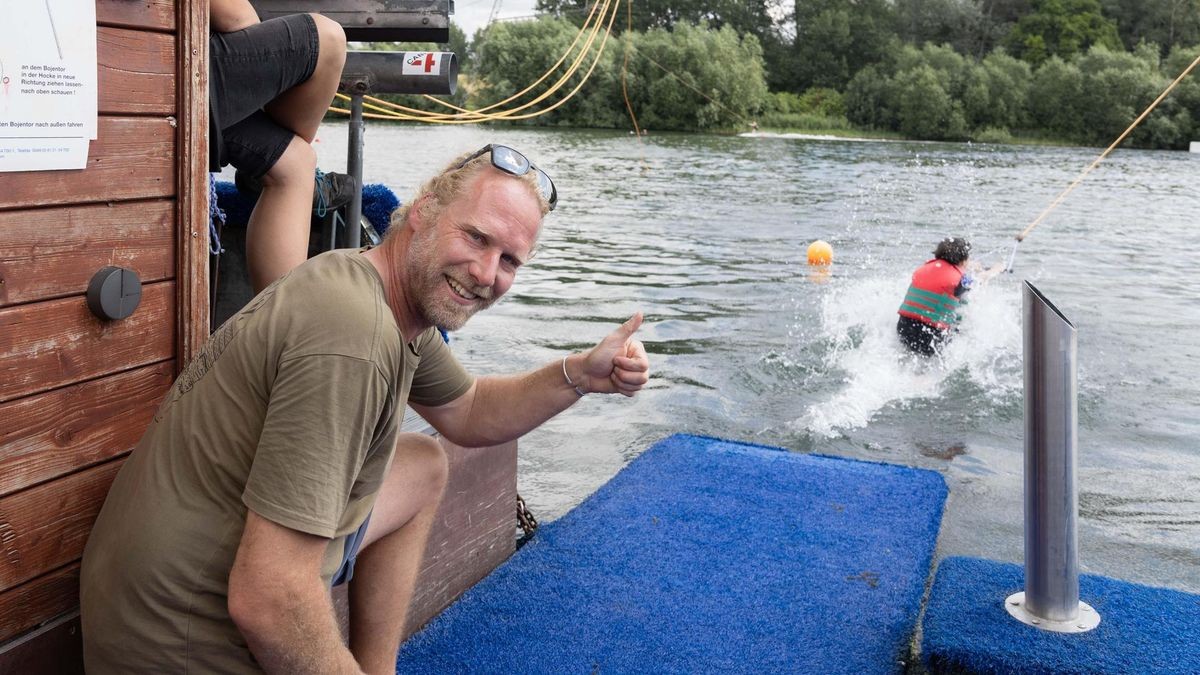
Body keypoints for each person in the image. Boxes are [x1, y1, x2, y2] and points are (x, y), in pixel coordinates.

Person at [80, 145, 651, 674]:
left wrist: (577, 374)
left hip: (164, 589)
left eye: (508, 260)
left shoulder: (377, 288)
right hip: (177, 645)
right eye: (476, 238)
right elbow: (269, 599)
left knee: (423, 464)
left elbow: (471, 410)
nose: (485, 274)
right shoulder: (351, 335)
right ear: (423, 211)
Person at [210, 0, 357, 293]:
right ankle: (257, 170)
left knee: (295, 161)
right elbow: (236, 18)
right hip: (174, 75)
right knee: (327, 38)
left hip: (148, 80)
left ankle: (279, 327)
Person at [896, 237, 1002, 356]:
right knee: (963, 321)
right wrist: (997, 269)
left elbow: (945, 271)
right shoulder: (961, 280)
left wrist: (968, 265)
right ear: (962, 261)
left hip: (904, 328)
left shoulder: (925, 267)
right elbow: (981, 278)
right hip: (931, 336)